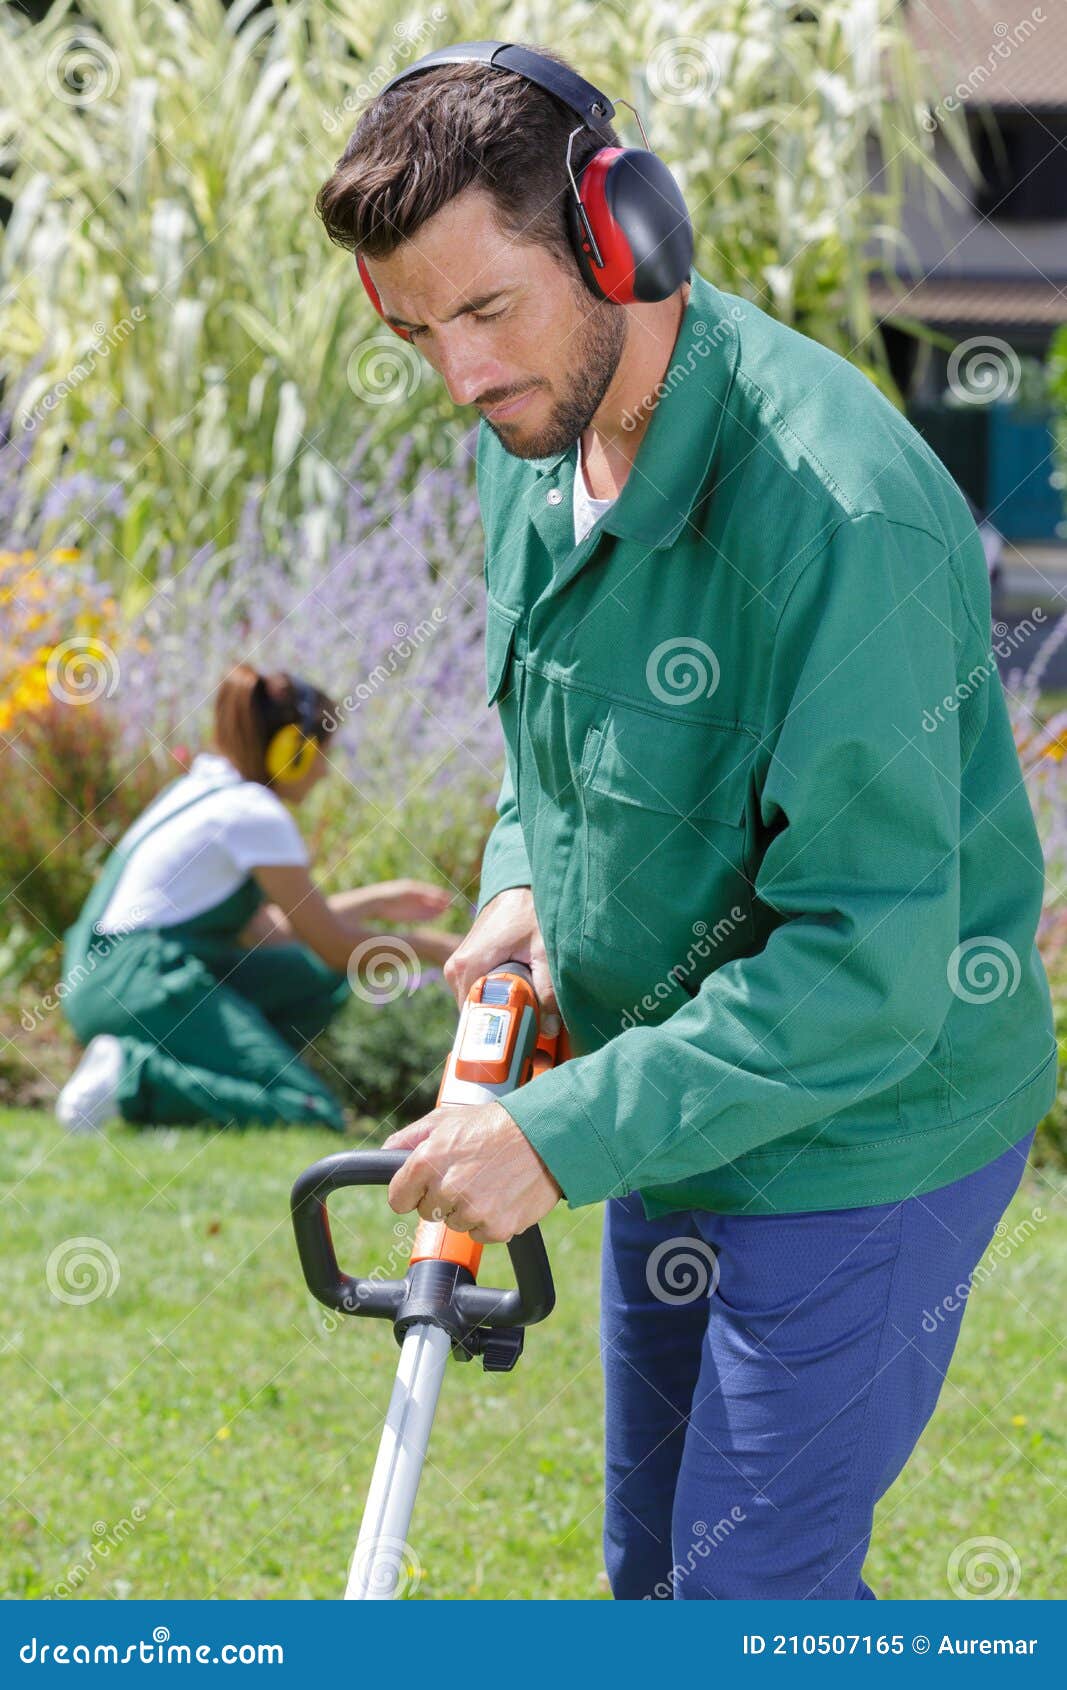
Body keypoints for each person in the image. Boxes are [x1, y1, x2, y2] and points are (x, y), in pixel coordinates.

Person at [313, 45, 1060, 1600]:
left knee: (745, 1606)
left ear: (617, 235)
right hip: (675, 1103)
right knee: (651, 1578)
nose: (456, 376)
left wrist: (553, 1130)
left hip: (865, 1127)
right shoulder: (529, 446)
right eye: (414, 332)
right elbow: (548, 739)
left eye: (483, 309)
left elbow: (864, 969)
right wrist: (526, 880)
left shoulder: (837, 512)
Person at [56, 663, 457, 1135]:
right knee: (309, 1109)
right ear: (293, 752)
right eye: (322, 754)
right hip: (144, 980)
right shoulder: (255, 813)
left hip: (105, 980)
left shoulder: (202, 790)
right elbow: (333, 946)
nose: (326, 773)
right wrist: (435, 948)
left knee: (318, 978)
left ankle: (223, 1068)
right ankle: (133, 1076)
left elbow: (267, 932)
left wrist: (376, 901)